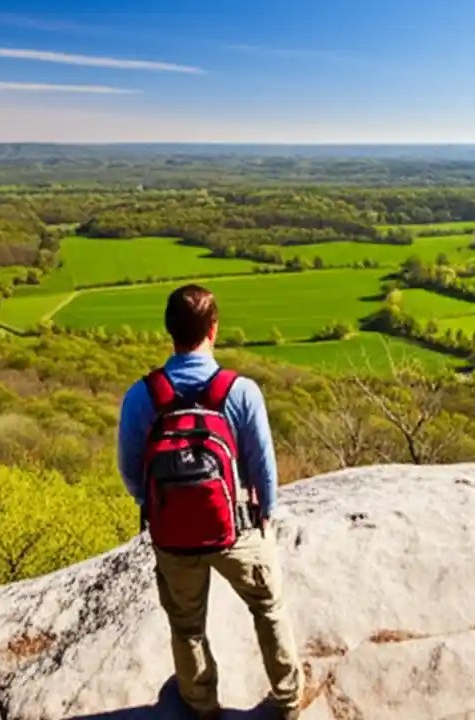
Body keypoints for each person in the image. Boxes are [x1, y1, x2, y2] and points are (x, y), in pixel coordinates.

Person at [118, 284, 303, 720]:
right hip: (235, 528)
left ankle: (201, 704)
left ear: (169, 331)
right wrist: (265, 518)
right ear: (214, 330)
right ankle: (289, 699)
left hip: (172, 536)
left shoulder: (143, 395)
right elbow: (263, 468)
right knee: (268, 608)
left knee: (187, 625)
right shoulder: (239, 391)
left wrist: (157, 506)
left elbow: (130, 469)